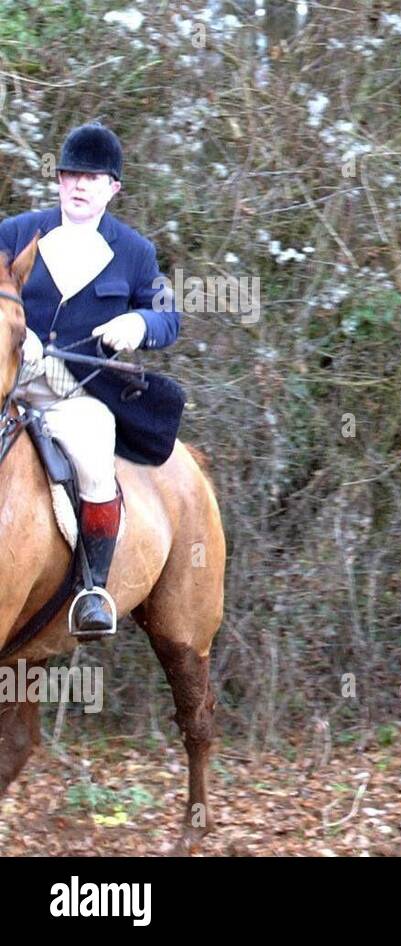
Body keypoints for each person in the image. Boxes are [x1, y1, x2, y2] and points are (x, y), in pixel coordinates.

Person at [0, 122, 181, 638]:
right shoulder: (15, 233)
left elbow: (168, 315)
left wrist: (138, 323)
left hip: (72, 391)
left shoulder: (134, 252)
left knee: (95, 446)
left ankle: (93, 587)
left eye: (93, 178)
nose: (79, 185)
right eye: (71, 175)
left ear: (112, 188)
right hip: (11, 370)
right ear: (58, 180)